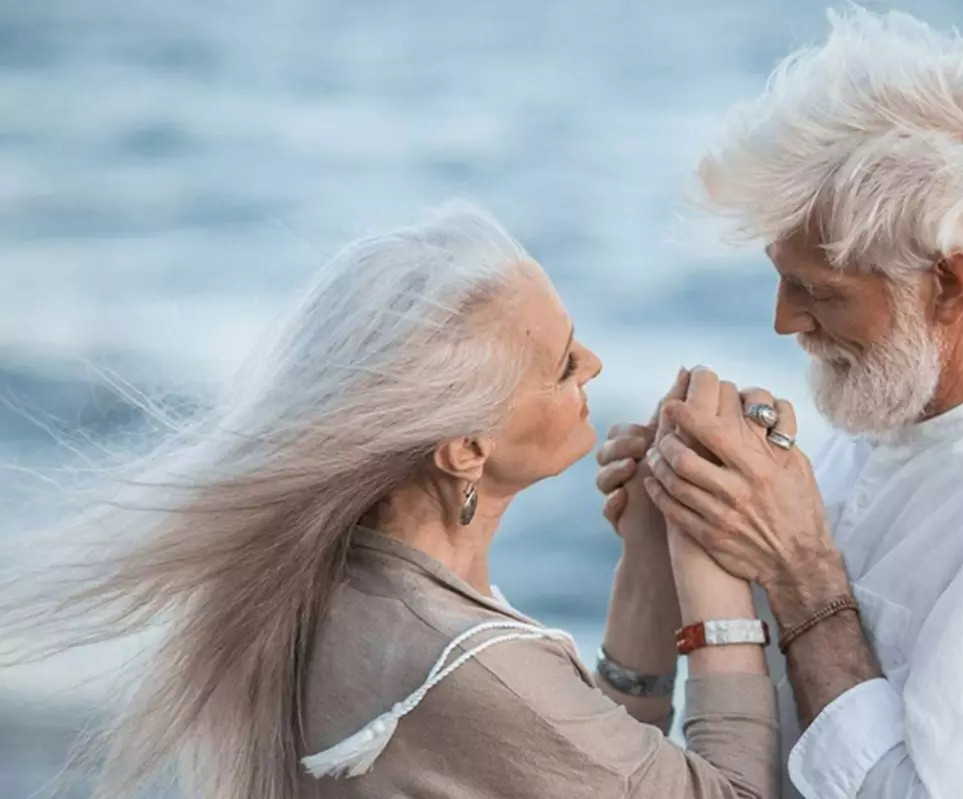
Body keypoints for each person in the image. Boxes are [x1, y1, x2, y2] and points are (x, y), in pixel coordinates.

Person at [1, 203, 779, 799]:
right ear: (465, 447)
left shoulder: (346, 587)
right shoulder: (464, 663)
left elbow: (577, 764)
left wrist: (648, 556)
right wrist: (712, 556)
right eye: (563, 363)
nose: (595, 364)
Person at [596, 8, 963, 799]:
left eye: (817, 290)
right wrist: (673, 539)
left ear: (950, 282)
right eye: (779, 275)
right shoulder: (869, 418)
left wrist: (800, 567)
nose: (782, 320)